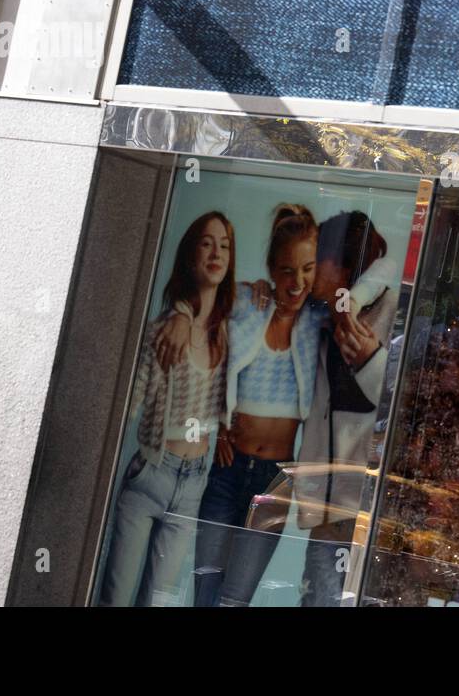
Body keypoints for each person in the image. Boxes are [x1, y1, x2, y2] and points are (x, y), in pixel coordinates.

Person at [154, 205, 393, 606]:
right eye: (288, 270)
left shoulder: (342, 318)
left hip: (299, 485)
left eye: (311, 267)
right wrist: (180, 314)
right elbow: (207, 322)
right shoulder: (271, 309)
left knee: (237, 599)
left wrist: (359, 318)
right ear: (273, 269)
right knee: (207, 594)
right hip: (242, 475)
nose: (301, 280)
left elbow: (384, 270)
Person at [100, 211, 234, 606]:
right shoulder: (163, 329)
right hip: (152, 474)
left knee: (158, 601)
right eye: (206, 243)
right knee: (117, 596)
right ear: (191, 255)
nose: (216, 252)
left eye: (224, 245)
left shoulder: (228, 333)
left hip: (195, 483)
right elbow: (128, 403)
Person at [291, 210, 399, 607]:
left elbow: (400, 401)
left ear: (339, 263)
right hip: (328, 506)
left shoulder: (390, 311)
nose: (306, 270)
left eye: (315, 258)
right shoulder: (320, 318)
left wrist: (370, 356)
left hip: (367, 511)